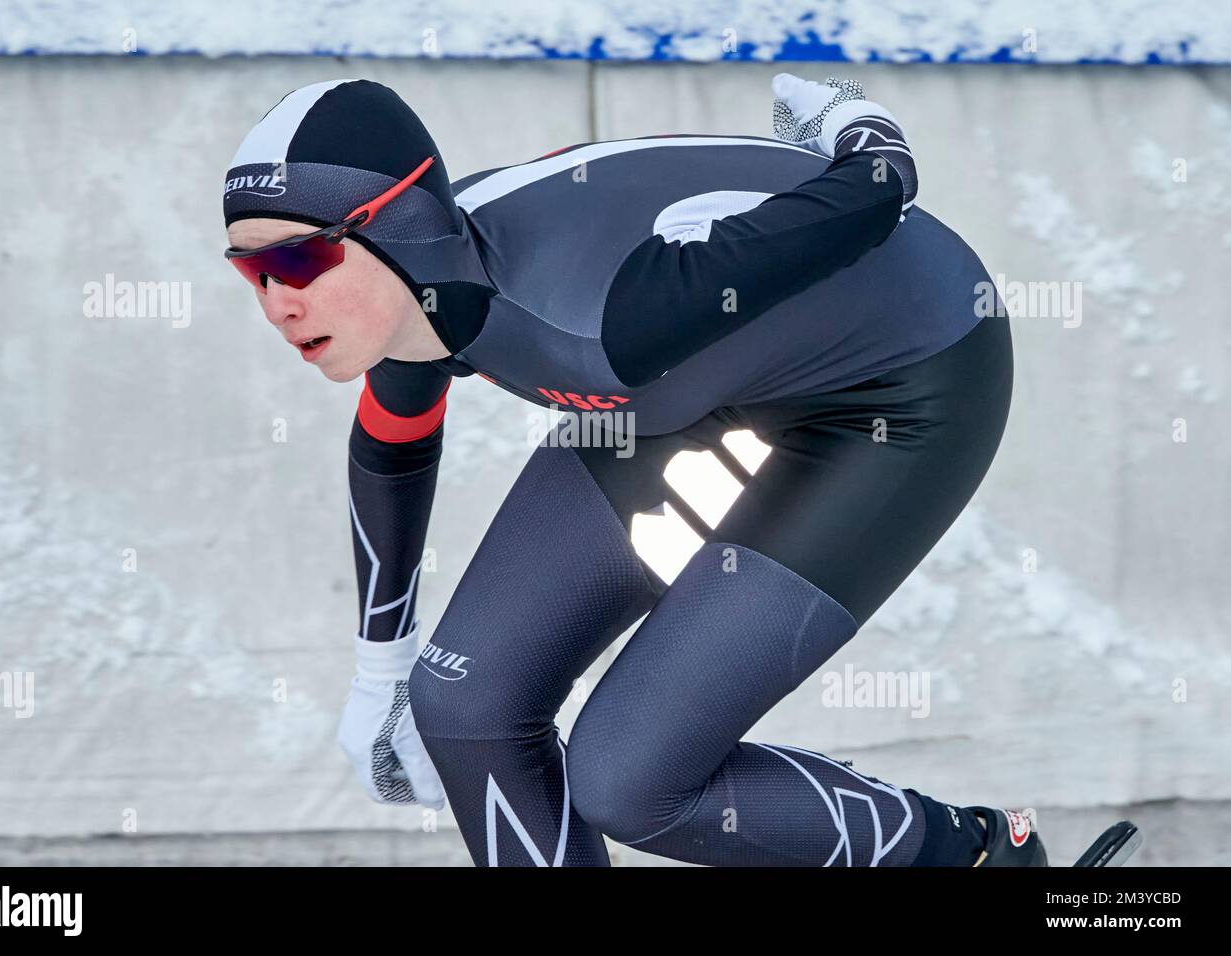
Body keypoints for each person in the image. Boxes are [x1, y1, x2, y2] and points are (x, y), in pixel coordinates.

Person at [221, 74, 1042, 867]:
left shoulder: (605, 314)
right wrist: (382, 670)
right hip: (683, 386)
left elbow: (874, 193)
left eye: (296, 262)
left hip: (897, 390)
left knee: (629, 782)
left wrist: (860, 136)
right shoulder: (419, 296)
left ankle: (973, 855)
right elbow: (392, 449)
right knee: (463, 707)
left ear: (394, 227)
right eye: (250, 270)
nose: (275, 304)